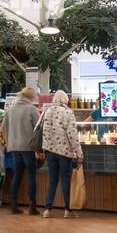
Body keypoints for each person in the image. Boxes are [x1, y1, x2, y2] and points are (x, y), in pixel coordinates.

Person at [40, 90, 85, 218]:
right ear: (65, 99)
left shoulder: (47, 111)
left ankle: (47, 209)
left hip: (49, 151)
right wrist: (79, 152)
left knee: (53, 180)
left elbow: (43, 131)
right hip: (64, 152)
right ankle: (67, 210)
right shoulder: (67, 112)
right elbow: (72, 135)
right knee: (66, 180)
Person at [3, 86, 42, 215]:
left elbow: (4, 127)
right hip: (28, 147)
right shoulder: (31, 109)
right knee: (31, 176)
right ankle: (32, 206)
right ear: (30, 97)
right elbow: (38, 127)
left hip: (14, 147)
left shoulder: (10, 110)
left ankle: (13, 205)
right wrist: (38, 147)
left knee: (17, 175)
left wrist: (9, 142)